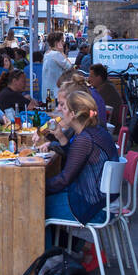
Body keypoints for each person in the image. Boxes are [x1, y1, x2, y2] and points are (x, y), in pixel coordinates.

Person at [39, 90, 117, 229]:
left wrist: (38, 187)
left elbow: (64, 179)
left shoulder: (85, 139)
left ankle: (53, 251)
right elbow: (77, 159)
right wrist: (61, 138)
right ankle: (77, 246)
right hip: (103, 201)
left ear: (73, 114)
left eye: (64, 107)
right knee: (41, 201)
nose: (59, 110)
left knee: (36, 207)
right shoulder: (95, 131)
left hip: (91, 206)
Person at [88, 64, 123, 128]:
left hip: (109, 127)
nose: (89, 79)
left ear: (99, 77)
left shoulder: (105, 89)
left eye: (91, 76)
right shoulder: (107, 85)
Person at [40, 31, 69, 99]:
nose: (64, 43)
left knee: (50, 109)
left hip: (47, 92)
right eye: (62, 41)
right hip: (56, 93)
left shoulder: (47, 53)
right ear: (57, 43)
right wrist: (62, 52)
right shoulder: (56, 54)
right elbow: (70, 68)